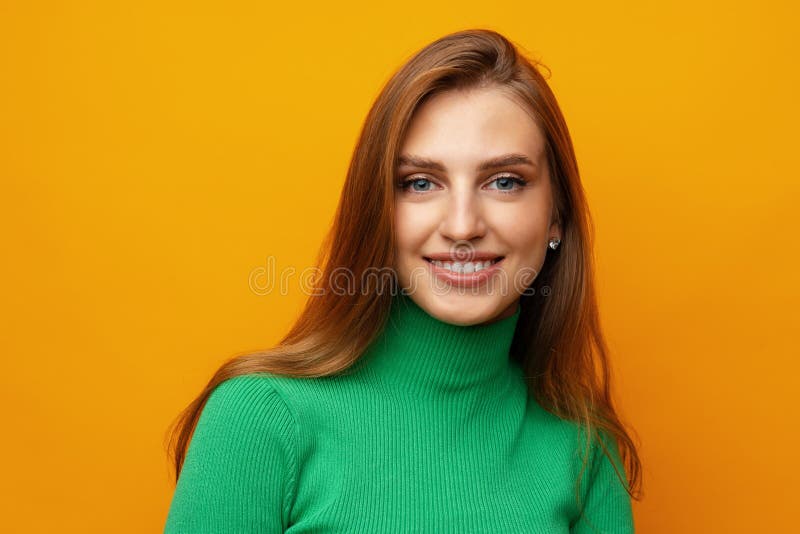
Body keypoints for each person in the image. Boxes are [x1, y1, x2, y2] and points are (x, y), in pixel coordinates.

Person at [163, 28, 643, 533]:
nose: (462, 226)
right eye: (420, 183)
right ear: (379, 211)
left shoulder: (585, 449)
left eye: (505, 181)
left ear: (556, 217)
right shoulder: (260, 421)